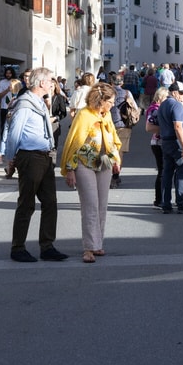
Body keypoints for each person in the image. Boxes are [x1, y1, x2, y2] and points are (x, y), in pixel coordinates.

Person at [3, 68, 69, 263]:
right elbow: (14, 134)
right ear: (41, 83)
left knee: (50, 202)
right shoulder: (25, 104)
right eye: (50, 81)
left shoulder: (39, 102)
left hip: (44, 156)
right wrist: (10, 159)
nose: (52, 84)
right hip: (30, 157)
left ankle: (47, 246)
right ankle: (18, 248)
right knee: (27, 203)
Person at [60, 83, 122, 263]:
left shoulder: (106, 115)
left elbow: (113, 139)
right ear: (100, 100)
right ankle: (88, 247)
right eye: (110, 101)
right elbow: (74, 143)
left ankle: (97, 243)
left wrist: (116, 159)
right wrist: (70, 169)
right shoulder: (84, 115)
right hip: (84, 163)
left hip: (104, 163)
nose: (113, 104)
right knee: (90, 205)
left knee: (102, 205)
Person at [156, 82, 183, 214]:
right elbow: (178, 126)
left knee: (167, 173)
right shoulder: (176, 105)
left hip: (166, 141)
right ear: (174, 92)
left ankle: (166, 203)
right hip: (177, 142)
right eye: (181, 93)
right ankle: (182, 203)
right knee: (182, 173)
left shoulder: (163, 104)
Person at [144, 87, 169, 208]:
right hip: (158, 142)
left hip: (160, 141)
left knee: (164, 170)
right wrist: (166, 129)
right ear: (161, 97)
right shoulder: (155, 109)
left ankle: (162, 199)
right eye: (166, 97)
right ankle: (159, 200)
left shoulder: (158, 108)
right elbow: (149, 127)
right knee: (162, 171)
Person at [108, 74, 132, 189]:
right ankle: (115, 176)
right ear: (122, 83)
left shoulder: (107, 93)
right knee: (120, 151)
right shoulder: (127, 93)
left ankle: (107, 174)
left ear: (111, 82)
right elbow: (133, 107)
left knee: (108, 150)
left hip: (108, 125)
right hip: (123, 125)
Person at [0, 79, 22, 170]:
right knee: (4, 137)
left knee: (14, 138)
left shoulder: (21, 96)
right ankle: (0, 156)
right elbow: (7, 105)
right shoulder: (9, 95)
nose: (9, 86)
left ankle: (13, 159)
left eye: (11, 85)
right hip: (8, 117)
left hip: (16, 119)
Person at [0, 67, 16, 134]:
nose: (8, 75)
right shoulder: (2, 82)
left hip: (14, 108)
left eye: (10, 73)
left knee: (13, 126)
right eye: (7, 73)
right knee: (4, 126)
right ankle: (3, 139)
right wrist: (7, 90)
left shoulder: (16, 82)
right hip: (4, 108)